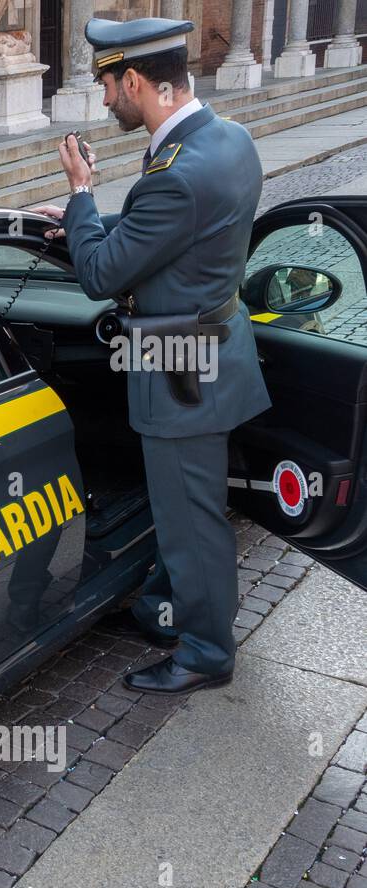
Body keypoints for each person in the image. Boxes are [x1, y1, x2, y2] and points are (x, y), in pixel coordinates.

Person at [35, 17, 270, 696]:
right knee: (191, 506)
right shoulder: (226, 141)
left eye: (109, 86)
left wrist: (81, 194)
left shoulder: (175, 173)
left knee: (190, 519)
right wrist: (90, 222)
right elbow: (177, 231)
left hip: (179, 367)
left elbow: (103, 276)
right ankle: (172, 609)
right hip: (214, 351)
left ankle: (202, 651)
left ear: (136, 81)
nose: (106, 101)